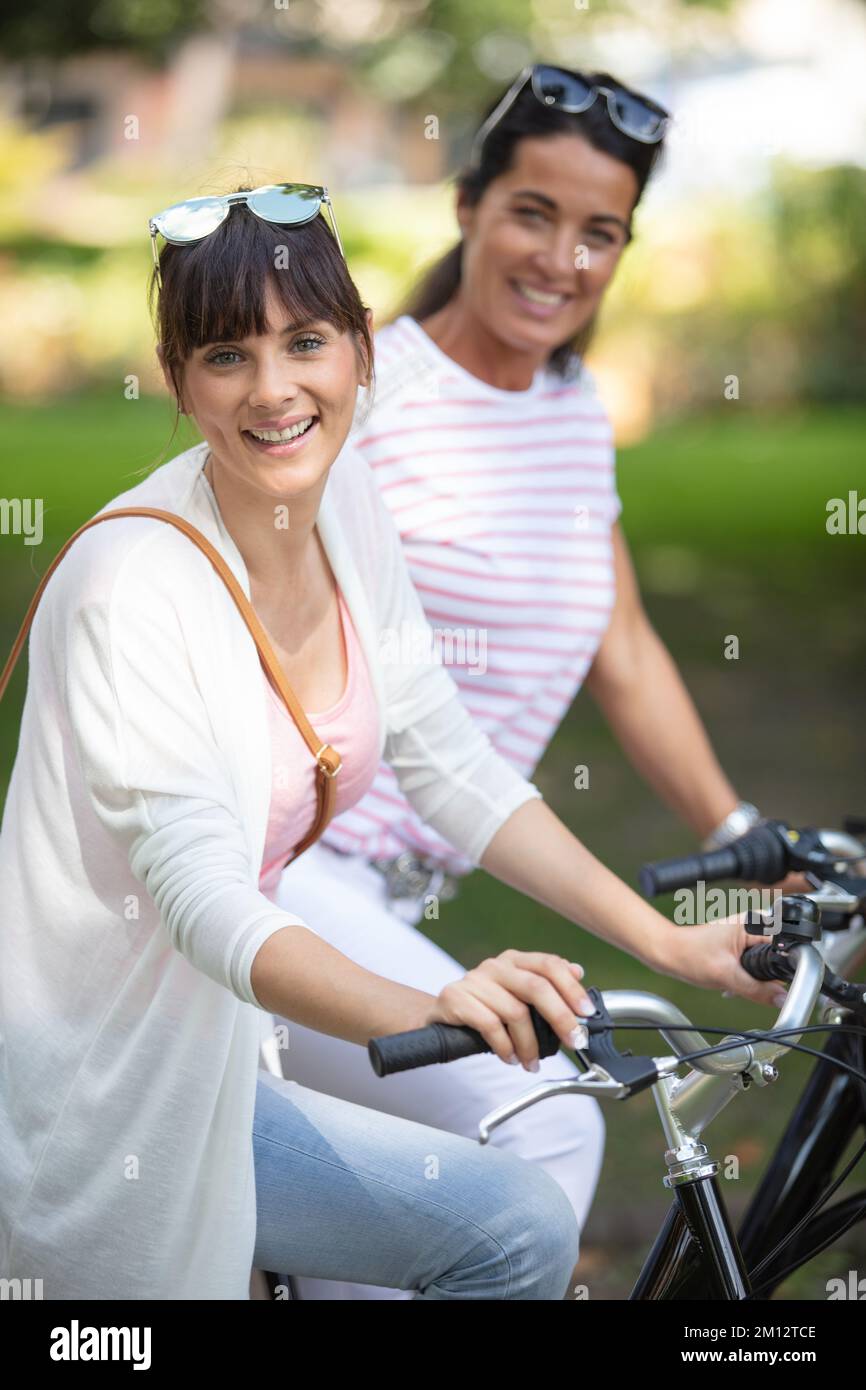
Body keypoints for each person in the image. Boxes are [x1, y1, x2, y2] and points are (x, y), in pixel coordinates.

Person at [0, 180, 782, 1303]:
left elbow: (451, 764)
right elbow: (205, 903)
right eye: (225, 356)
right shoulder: (135, 587)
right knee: (506, 1228)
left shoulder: (344, 502)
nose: (273, 391)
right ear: (175, 380)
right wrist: (435, 1005)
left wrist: (667, 945)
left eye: (305, 342)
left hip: (233, 1044)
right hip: (123, 1091)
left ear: (361, 352)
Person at [265, 66, 775, 1300]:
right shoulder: (366, 395)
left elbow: (626, 645)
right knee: (538, 1115)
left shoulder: (568, 408)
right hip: (288, 870)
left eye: (598, 230)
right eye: (532, 213)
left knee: (388, 1248)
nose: (561, 258)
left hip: (401, 892)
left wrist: (738, 831)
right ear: (467, 207)